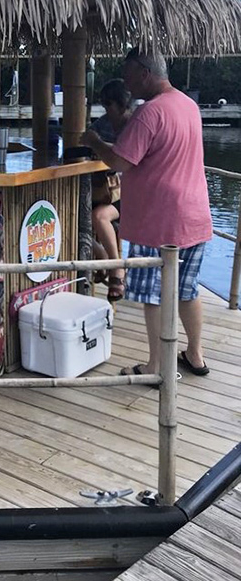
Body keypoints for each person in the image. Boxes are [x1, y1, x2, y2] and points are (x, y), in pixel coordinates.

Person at [81, 49, 212, 378]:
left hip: (159, 222)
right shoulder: (188, 105)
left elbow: (121, 161)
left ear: (144, 72)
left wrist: (95, 142)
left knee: (152, 294)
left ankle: (157, 366)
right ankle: (195, 355)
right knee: (187, 289)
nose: (125, 82)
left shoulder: (149, 113)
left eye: (127, 74)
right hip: (194, 215)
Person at [88, 79, 132, 301]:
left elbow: (122, 158)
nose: (106, 109)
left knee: (99, 216)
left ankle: (116, 269)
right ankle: (101, 254)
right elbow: (86, 140)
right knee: (78, 217)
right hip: (106, 190)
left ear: (122, 104)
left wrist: (99, 146)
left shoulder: (136, 124)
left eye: (109, 104)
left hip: (131, 192)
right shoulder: (103, 123)